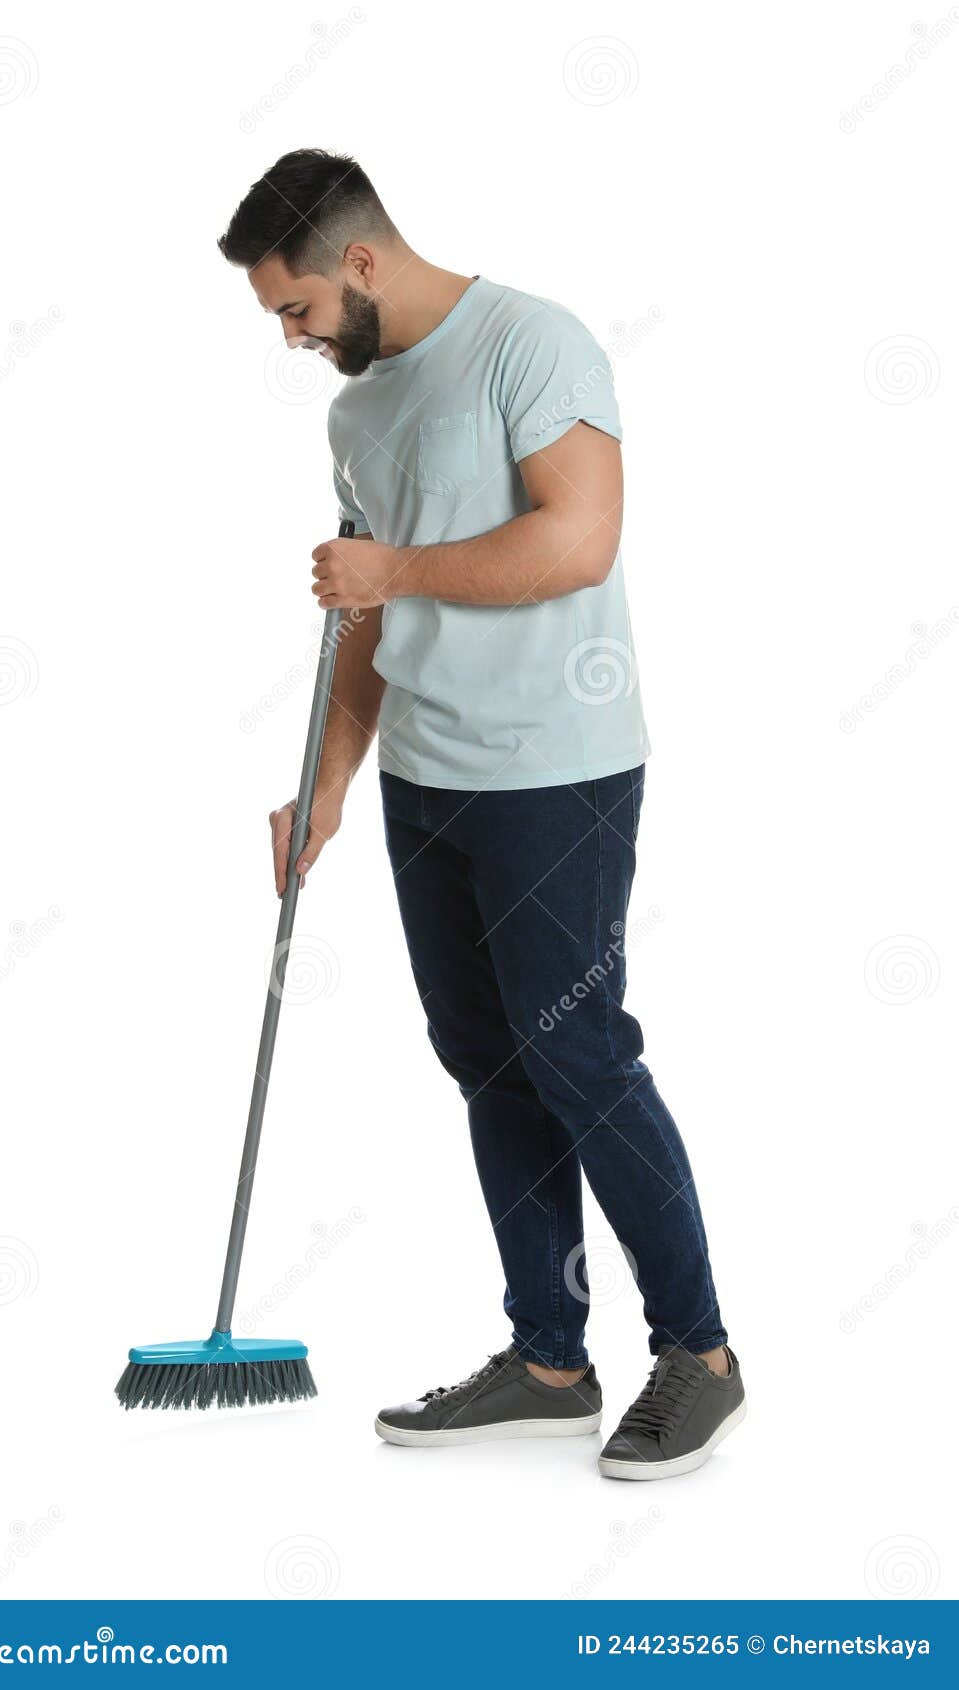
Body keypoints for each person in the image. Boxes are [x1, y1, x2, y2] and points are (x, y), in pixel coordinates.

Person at [218, 149, 745, 1479]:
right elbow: (368, 618)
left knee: (580, 1056)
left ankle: (702, 1352)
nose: (293, 340)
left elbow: (579, 541)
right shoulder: (359, 416)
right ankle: (552, 1357)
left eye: (298, 309)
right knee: (488, 1057)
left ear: (361, 261)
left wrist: (390, 562)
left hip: (555, 771)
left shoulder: (533, 343)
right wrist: (326, 789)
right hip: (426, 782)